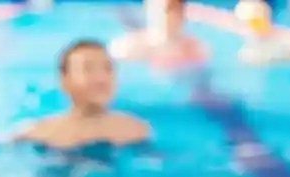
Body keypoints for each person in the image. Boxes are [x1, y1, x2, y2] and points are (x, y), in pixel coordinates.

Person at [17, 40, 150, 150]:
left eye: (108, 69)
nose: (101, 78)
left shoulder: (135, 130)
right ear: (64, 81)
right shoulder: (39, 133)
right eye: (88, 69)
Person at [108, 0, 207, 67]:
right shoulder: (128, 47)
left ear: (182, 14)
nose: (165, 15)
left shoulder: (193, 49)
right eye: (158, 8)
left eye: (170, 9)